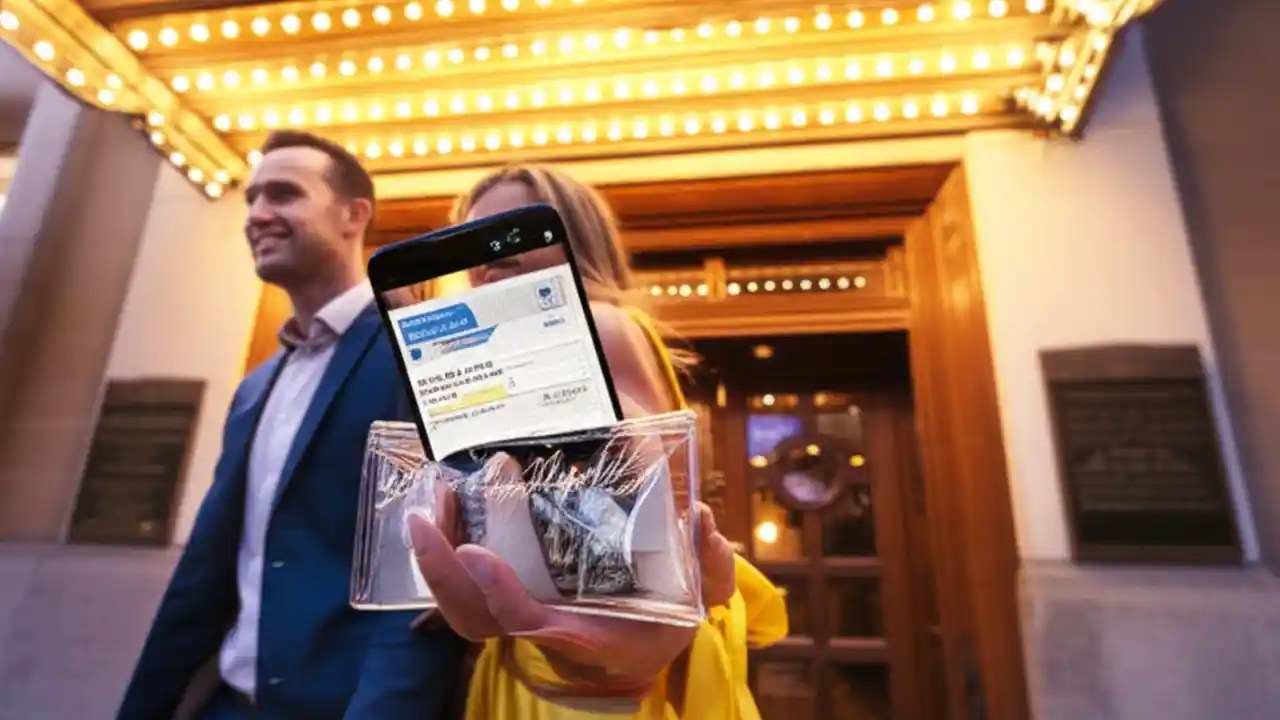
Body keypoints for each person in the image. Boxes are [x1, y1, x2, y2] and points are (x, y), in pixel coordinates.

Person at [407, 165, 789, 719]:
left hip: (587, 659)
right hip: (562, 645)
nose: (486, 257)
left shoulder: (593, 325)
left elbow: (621, 515)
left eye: (507, 236)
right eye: (471, 241)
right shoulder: (580, 333)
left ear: (571, 238)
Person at [116, 130, 464, 720]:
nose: (258, 214)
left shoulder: (420, 351)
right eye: (252, 197)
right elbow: (208, 573)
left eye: (284, 195)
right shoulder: (255, 387)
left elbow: (424, 577)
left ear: (354, 215)